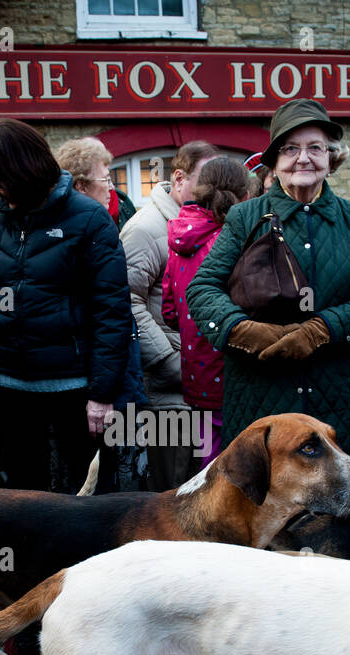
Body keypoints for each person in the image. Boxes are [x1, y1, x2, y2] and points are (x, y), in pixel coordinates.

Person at [186, 99, 350, 465]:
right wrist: (242, 331)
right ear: (275, 159)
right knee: (265, 510)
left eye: (315, 148)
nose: (303, 158)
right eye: (291, 148)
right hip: (262, 396)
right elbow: (202, 289)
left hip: (339, 397)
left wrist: (322, 329)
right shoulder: (245, 217)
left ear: (331, 157)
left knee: (340, 509)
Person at [0, 120, 132, 492]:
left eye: (0, 184)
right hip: (7, 382)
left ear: (25, 171)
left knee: (84, 494)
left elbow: (113, 312)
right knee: (23, 494)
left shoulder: (89, 220)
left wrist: (102, 394)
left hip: (74, 386)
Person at [119, 140, 219, 490]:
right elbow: (126, 302)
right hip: (168, 392)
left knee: (202, 486)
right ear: (179, 179)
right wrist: (168, 359)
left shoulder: (204, 224)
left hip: (203, 385)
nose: (213, 192)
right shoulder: (146, 229)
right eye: (206, 182)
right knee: (172, 490)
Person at [56, 136, 148, 491]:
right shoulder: (78, 232)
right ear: (80, 186)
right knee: (103, 482)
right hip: (102, 381)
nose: (112, 188)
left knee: (129, 470)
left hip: (123, 372)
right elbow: (104, 315)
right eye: (106, 180)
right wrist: (104, 391)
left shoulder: (111, 220)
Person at [162, 156, 251, 463]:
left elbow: (170, 312)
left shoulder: (179, 240)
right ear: (245, 195)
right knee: (236, 460)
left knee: (207, 458)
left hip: (194, 370)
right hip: (232, 369)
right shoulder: (231, 242)